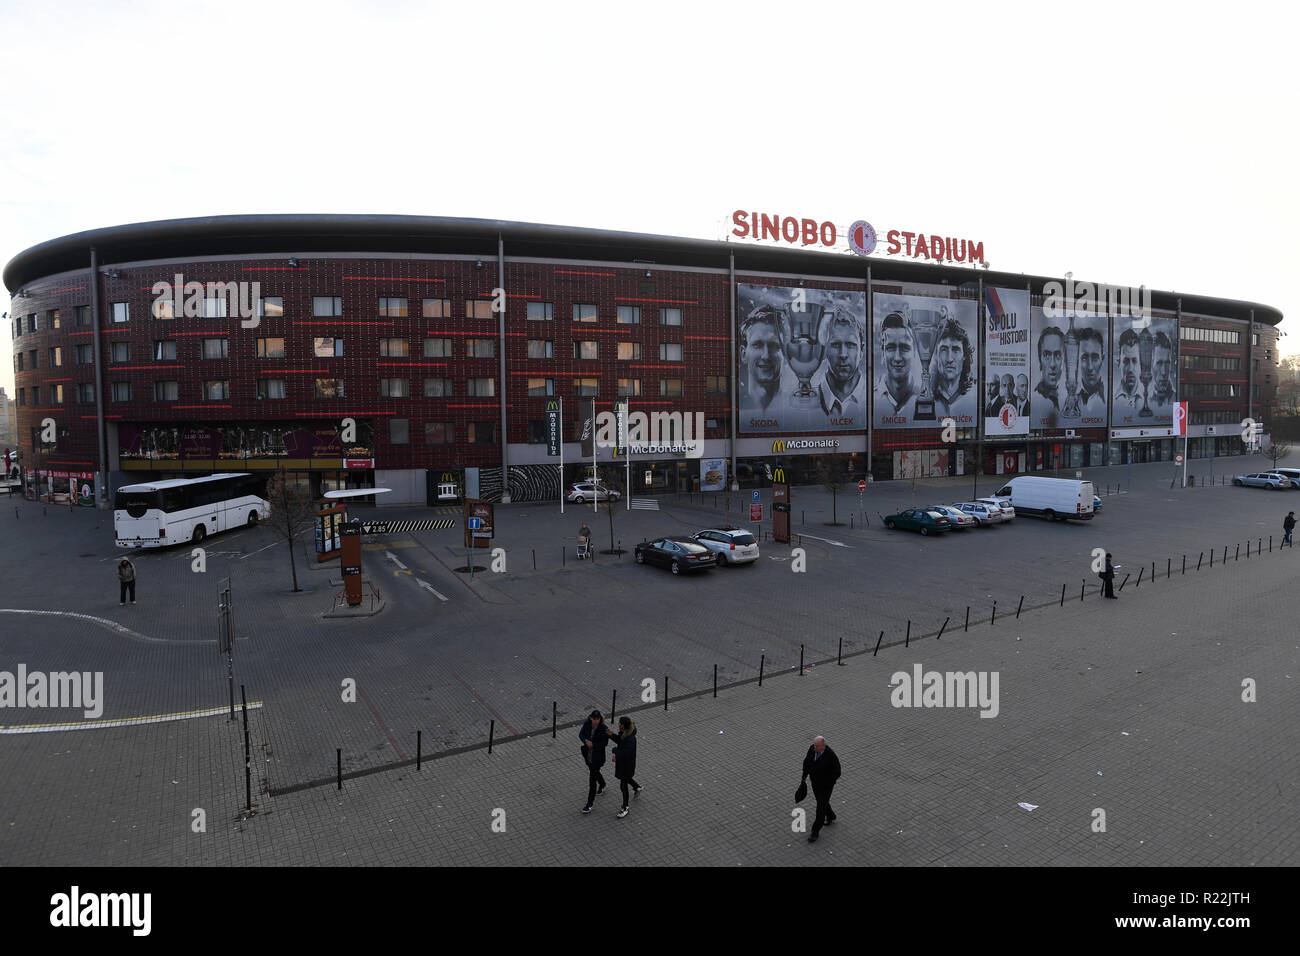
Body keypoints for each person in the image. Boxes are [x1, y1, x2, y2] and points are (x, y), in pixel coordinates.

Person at [812, 312, 866, 424]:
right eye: (836, 344)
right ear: (824, 350)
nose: (843, 354)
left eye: (850, 345)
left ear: (862, 350)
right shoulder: (807, 400)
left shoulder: (877, 398)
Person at [739, 306, 789, 416]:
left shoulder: (803, 409)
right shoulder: (731, 406)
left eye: (774, 346)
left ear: (785, 354)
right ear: (743, 354)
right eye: (757, 345)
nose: (766, 356)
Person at [874, 311, 917, 420]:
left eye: (904, 348)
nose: (897, 357)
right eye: (891, 348)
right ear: (883, 352)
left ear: (915, 352)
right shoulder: (866, 397)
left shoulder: (928, 397)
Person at [929, 317, 974, 419]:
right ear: (935, 355)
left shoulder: (974, 398)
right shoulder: (924, 398)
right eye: (944, 350)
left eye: (956, 350)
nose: (949, 359)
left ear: (965, 356)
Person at [801, 735, 841, 843]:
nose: (814, 748)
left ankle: (815, 832)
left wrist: (827, 782)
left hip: (826, 787)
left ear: (823, 746)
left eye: (817, 746)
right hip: (815, 783)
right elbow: (806, 762)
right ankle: (831, 815)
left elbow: (837, 772)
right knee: (821, 802)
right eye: (814, 745)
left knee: (820, 808)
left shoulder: (830, 756)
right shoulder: (812, 749)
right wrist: (803, 778)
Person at [609, 715, 642, 818]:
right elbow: (620, 741)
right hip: (625, 764)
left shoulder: (630, 739)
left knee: (623, 786)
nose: (618, 724)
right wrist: (611, 735)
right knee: (627, 778)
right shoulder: (626, 734)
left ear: (624, 726)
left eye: (620, 723)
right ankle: (637, 787)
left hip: (626, 765)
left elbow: (625, 753)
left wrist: (615, 751)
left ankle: (625, 807)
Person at [578, 710, 609, 813]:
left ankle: (590, 803)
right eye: (594, 719)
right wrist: (585, 741)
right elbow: (581, 734)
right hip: (588, 755)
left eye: (598, 719)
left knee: (592, 779)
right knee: (594, 772)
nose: (596, 721)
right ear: (590, 718)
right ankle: (603, 784)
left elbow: (605, 743)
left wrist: (594, 745)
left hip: (597, 757)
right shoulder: (587, 724)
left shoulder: (603, 728)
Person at [1034, 326, 1065, 425]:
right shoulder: (1035, 400)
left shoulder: (1068, 398)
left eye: (1058, 355)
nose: (1052, 364)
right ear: (1040, 359)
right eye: (1047, 355)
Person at [1076, 327, 1106, 418]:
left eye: (1095, 358)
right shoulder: (1069, 398)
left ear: (1102, 359)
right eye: (1084, 358)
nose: (1090, 367)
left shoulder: (1112, 398)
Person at [1115, 329, 1141, 409]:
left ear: (1141, 364)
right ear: (1119, 363)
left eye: (1134, 361)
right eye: (1125, 361)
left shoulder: (1150, 400)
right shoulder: (1111, 401)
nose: (1130, 369)